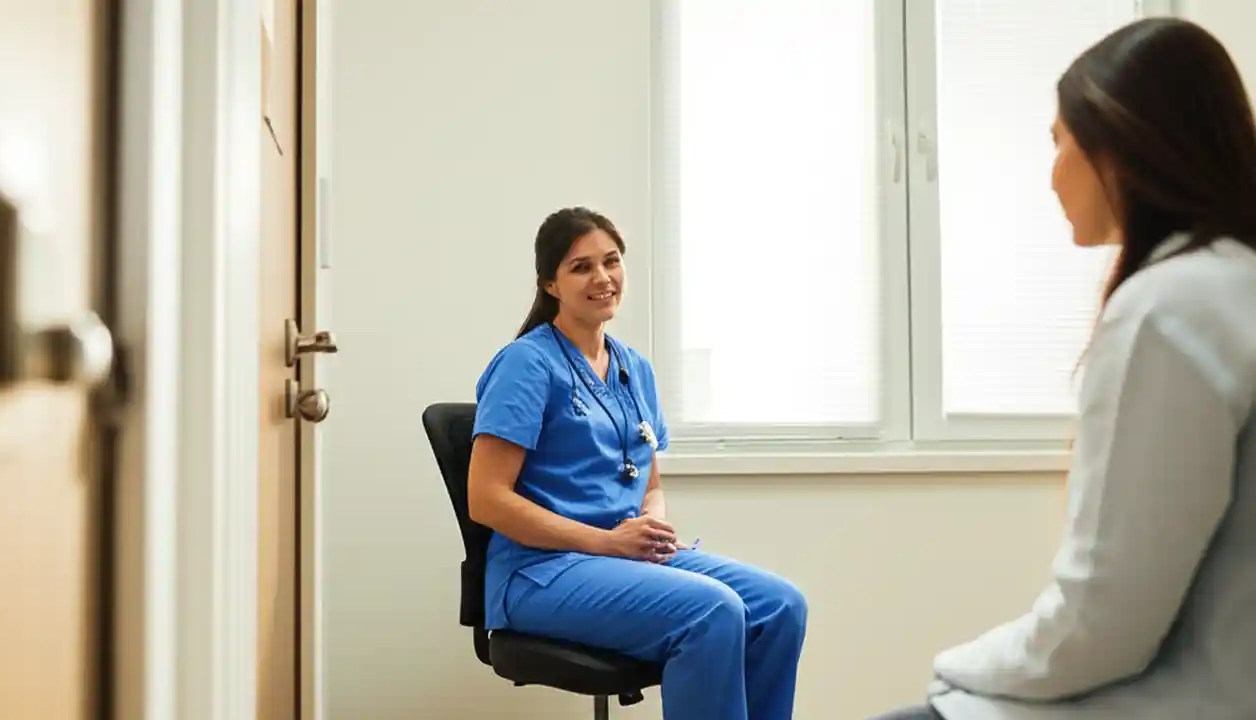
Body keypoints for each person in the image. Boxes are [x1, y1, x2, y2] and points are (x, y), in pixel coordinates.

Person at [874, 17, 1256, 720]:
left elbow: (1102, 628)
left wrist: (952, 665)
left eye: (1058, 142)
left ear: (1119, 146)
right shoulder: (1231, 284)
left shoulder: (1167, 308)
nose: (1050, 174)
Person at [468, 207, 808, 720]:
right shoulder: (526, 364)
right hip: (541, 572)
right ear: (550, 284)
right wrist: (605, 542)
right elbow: (486, 499)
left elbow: (648, 480)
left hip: (620, 554)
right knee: (713, 612)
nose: (602, 277)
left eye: (611, 261)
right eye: (581, 266)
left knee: (780, 607)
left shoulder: (634, 368)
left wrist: (651, 519)